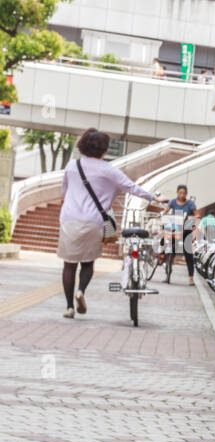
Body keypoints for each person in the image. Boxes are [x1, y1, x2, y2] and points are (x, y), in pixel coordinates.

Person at [56, 128, 166, 319]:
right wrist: (156, 198)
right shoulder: (109, 170)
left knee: (69, 264)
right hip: (93, 222)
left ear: (82, 145)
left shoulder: (72, 166)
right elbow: (132, 188)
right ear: (104, 150)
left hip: (69, 219)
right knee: (88, 263)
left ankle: (69, 307)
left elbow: (64, 192)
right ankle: (80, 291)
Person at [161, 184, 198, 284]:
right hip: (175, 229)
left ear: (186, 194)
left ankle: (191, 278)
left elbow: (197, 214)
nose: (182, 195)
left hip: (186, 230)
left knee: (188, 254)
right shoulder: (173, 202)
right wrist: (163, 215)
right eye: (180, 193)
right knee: (169, 250)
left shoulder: (190, 204)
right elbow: (165, 211)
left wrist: (191, 219)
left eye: (184, 193)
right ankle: (167, 274)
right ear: (177, 192)